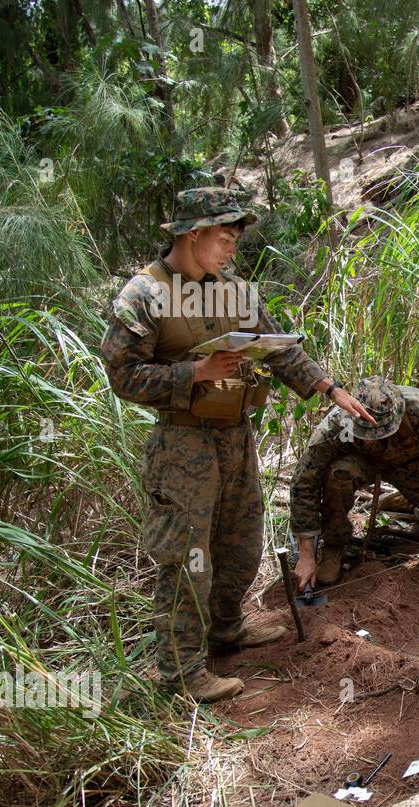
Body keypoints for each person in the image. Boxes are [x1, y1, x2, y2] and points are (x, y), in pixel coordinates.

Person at [101, 187, 374, 702]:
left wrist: (329, 388)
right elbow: (123, 376)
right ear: (192, 234)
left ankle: (225, 629)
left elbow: (279, 348)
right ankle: (182, 674)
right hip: (182, 445)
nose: (231, 251)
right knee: (187, 557)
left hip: (235, 437)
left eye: (234, 242)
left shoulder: (233, 291)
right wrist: (195, 372)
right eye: (224, 239)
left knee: (240, 544)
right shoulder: (145, 294)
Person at [290, 377, 419, 588]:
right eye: (366, 433)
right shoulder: (336, 424)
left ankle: (411, 504)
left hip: (413, 468)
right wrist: (306, 551)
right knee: (339, 474)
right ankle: (334, 545)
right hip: (363, 464)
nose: (373, 439)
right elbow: (304, 482)